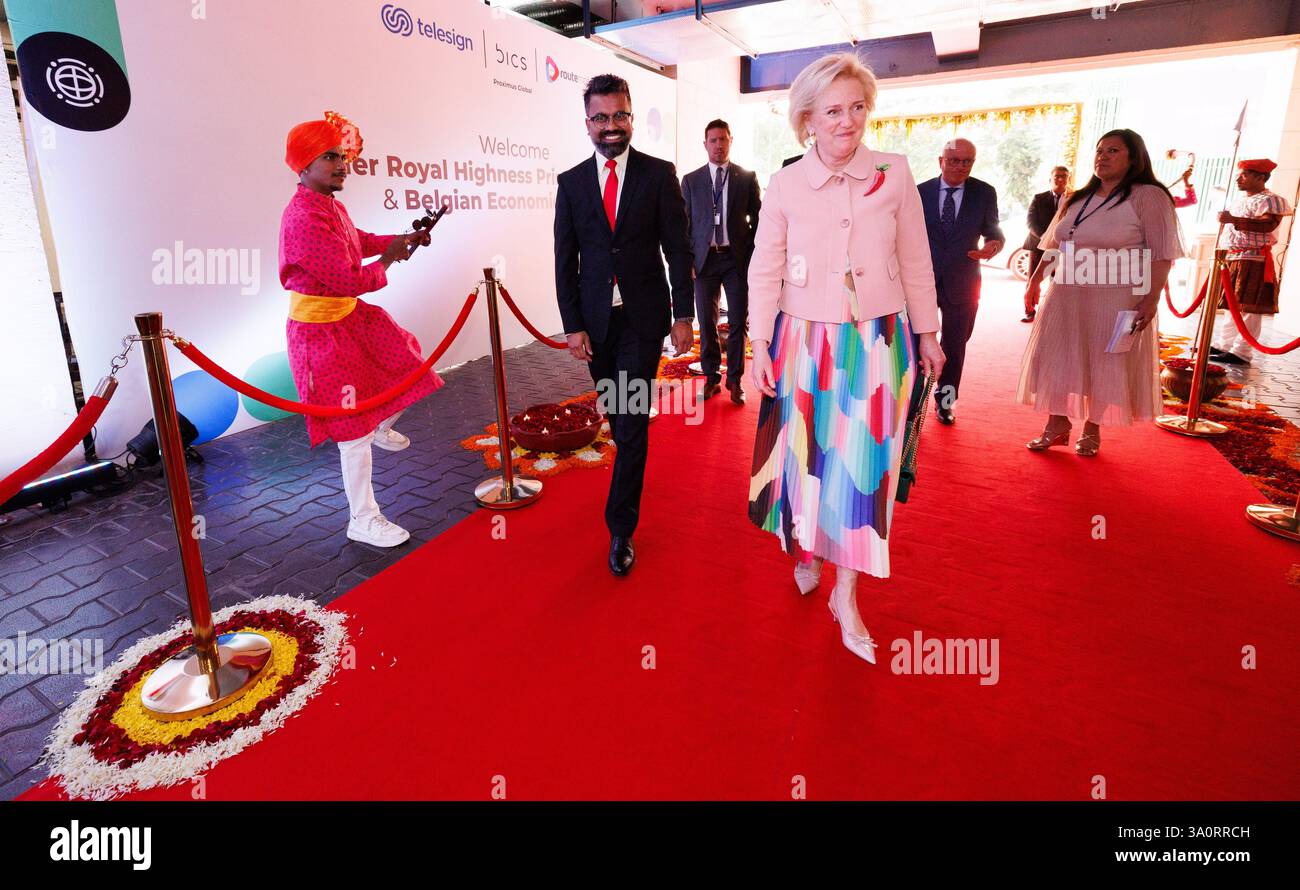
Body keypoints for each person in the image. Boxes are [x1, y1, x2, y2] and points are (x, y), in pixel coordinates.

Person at [746, 53, 943, 666]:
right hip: (804, 341)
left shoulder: (896, 172)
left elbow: (916, 260)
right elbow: (764, 271)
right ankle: (806, 550)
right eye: (832, 110)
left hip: (879, 345)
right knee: (806, 465)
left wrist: (930, 333)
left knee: (862, 472)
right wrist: (757, 345)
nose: (847, 121)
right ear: (807, 119)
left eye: (857, 107)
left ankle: (846, 596)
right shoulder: (784, 184)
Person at [279, 111, 442, 547]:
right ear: (304, 166)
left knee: (410, 365)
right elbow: (350, 279)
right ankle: (362, 518)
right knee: (351, 434)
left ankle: (381, 426)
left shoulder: (331, 205)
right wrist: (391, 258)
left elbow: (358, 239)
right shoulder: (302, 218)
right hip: (319, 336)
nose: (342, 163)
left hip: (351, 319)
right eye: (330, 156)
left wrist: (399, 240)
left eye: (342, 154)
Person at [553, 74, 694, 577]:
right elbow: (564, 259)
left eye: (619, 116)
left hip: (642, 320)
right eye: (601, 118)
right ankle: (625, 488)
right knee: (617, 414)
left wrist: (683, 314)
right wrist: (573, 325)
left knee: (631, 419)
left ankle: (620, 529)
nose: (610, 126)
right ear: (587, 122)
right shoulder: (570, 184)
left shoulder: (658, 175)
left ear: (630, 117)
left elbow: (677, 249)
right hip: (595, 325)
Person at [1017, 128, 1184, 456]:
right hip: (1066, 293)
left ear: (1133, 158)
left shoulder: (1148, 196)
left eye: (1113, 151)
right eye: (1099, 151)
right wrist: (1035, 280)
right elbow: (1055, 245)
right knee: (1059, 356)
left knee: (1104, 362)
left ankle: (1092, 428)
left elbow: (1162, 253)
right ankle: (1057, 423)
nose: (1102, 157)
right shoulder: (1077, 197)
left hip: (1117, 295)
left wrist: (1150, 300)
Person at [916, 138, 1004, 424]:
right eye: (954, 160)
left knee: (955, 346)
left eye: (967, 161)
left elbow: (993, 230)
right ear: (940, 161)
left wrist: (994, 245)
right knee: (917, 343)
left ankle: (946, 402)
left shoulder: (984, 193)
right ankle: (914, 402)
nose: (960, 166)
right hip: (923, 283)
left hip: (964, 282)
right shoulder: (920, 192)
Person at [681, 119, 762, 404]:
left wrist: (750, 252)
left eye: (723, 139)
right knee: (707, 321)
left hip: (735, 261)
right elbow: (684, 224)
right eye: (713, 140)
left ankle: (735, 381)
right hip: (704, 262)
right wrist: (688, 258)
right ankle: (711, 377)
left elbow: (759, 220)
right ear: (705, 144)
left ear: (731, 140)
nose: (718, 145)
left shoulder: (746, 177)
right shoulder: (691, 181)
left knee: (739, 322)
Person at [1210, 158, 1292, 365]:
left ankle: (1242, 351)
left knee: (1249, 307)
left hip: (1254, 258)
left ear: (1261, 177)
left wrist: (1233, 220)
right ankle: (1224, 345)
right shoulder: (1241, 200)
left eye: (1245, 175)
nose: (1239, 178)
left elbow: (1267, 225)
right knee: (1232, 306)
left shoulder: (1271, 200)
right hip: (1234, 257)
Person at [1022, 166, 1070, 322]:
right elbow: (1030, 222)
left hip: (1061, 248)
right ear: (1051, 179)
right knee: (1033, 280)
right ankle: (1030, 311)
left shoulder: (1074, 199)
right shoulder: (1039, 198)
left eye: (1064, 176)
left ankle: (1054, 314)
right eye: (1057, 176)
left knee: (1058, 281)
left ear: (1069, 178)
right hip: (1038, 245)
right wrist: (1047, 239)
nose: (1060, 179)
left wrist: (1057, 241)